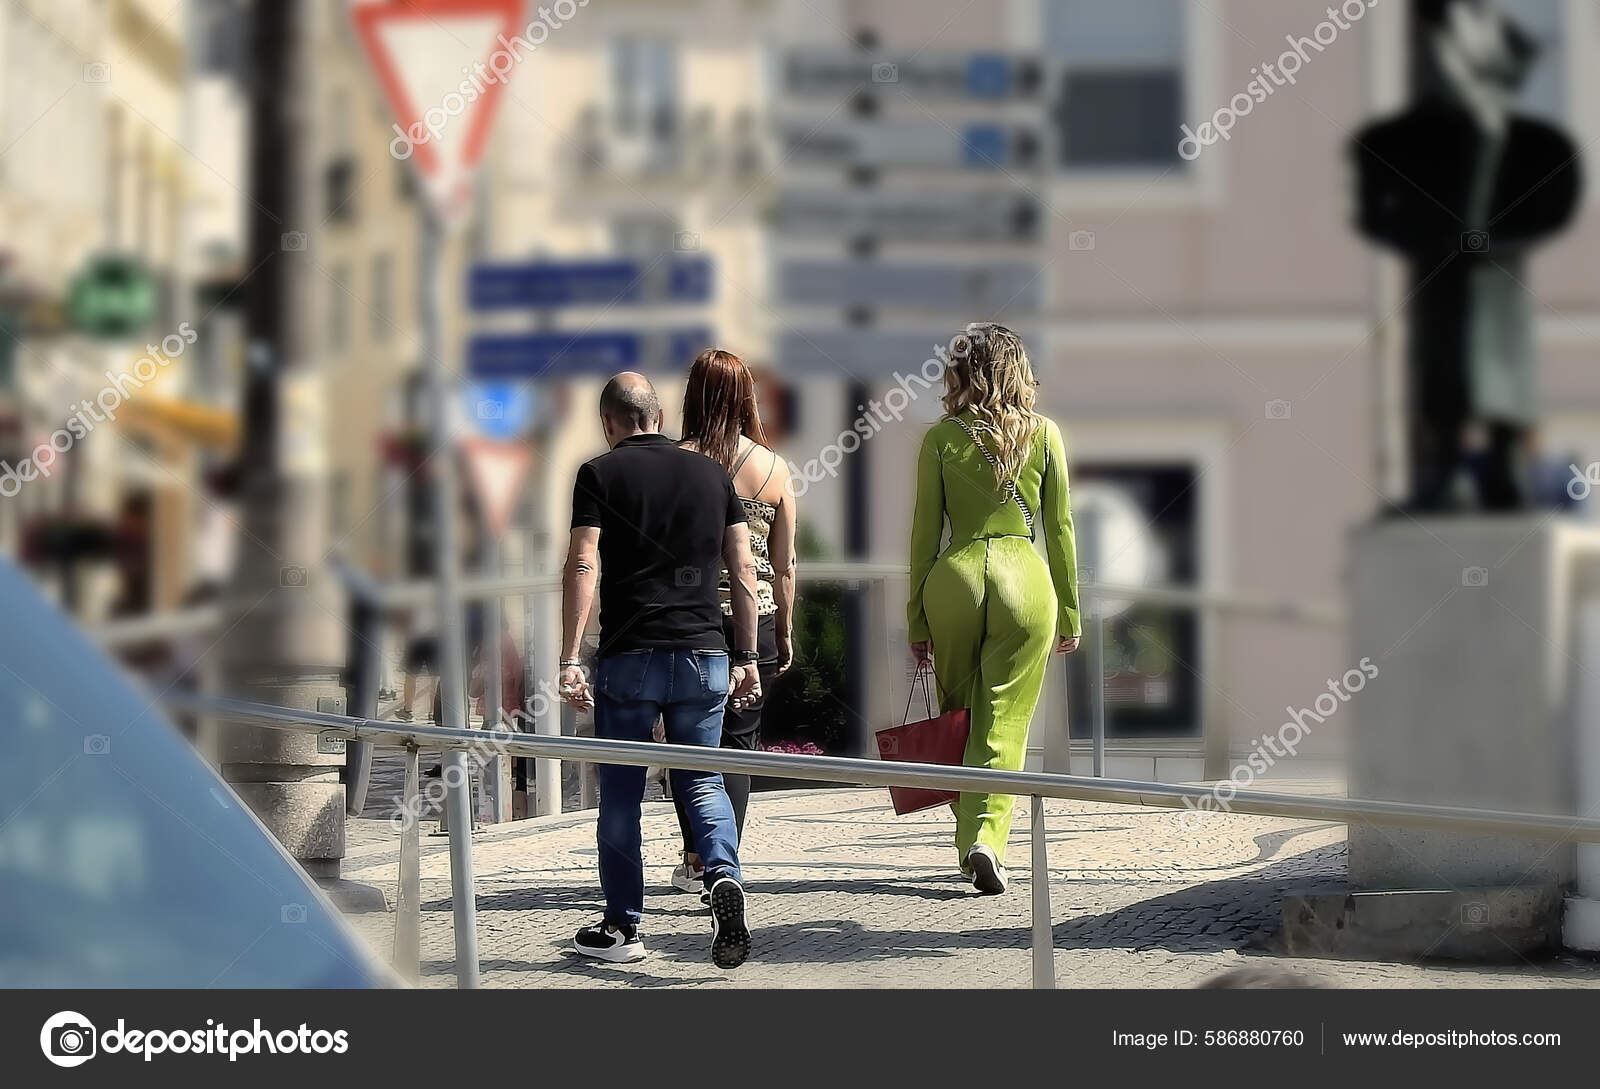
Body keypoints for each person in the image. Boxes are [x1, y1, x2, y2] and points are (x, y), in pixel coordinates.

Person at [559, 372, 761, 968]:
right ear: (660, 415)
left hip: (630, 656)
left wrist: (572, 655)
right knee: (702, 779)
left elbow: (582, 561)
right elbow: (744, 568)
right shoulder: (711, 474)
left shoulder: (598, 473)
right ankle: (722, 876)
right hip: (704, 654)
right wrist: (748, 656)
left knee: (622, 790)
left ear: (608, 423)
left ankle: (624, 927)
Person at [906, 324, 1081, 895]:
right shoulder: (1046, 434)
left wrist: (916, 617)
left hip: (954, 579)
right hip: (1025, 582)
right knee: (1004, 721)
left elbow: (924, 534)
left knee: (960, 717)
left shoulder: (941, 439)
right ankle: (988, 840)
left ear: (962, 372)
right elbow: (1059, 531)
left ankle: (967, 847)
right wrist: (1072, 612)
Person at [669, 349, 798, 900]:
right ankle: (725, 866)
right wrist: (786, 628)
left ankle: (695, 855)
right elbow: (785, 562)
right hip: (756, 623)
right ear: (749, 397)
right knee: (739, 747)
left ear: (692, 397)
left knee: (688, 743)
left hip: (688, 621)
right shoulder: (773, 468)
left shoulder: (676, 462)